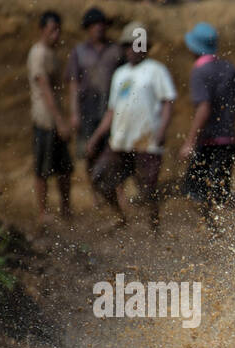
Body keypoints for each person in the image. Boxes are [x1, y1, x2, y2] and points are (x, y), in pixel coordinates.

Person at [85, 21, 175, 231]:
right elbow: (112, 111)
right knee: (99, 178)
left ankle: (153, 226)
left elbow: (168, 102)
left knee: (147, 191)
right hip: (120, 142)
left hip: (146, 142)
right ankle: (121, 216)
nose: (131, 49)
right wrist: (97, 136)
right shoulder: (120, 75)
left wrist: (161, 130)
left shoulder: (156, 70)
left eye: (136, 45)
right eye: (128, 45)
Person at [179, 21, 235, 225]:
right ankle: (220, 226)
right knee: (218, 191)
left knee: (193, 190)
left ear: (193, 48)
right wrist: (229, 120)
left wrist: (190, 142)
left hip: (209, 143)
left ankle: (219, 227)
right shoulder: (228, 67)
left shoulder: (200, 71)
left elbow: (204, 108)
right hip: (228, 140)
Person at [28, 10, 73, 225]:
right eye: (52, 30)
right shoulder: (39, 54)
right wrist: (60, 120)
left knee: (64, 167)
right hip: (45, 119)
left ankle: (65, 209)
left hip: (53, 118)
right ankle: (42, 212)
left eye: (58, 30)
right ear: (42, 30)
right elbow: (45, 90)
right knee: (43, 167)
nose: (56, 34)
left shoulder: (51, 54)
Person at [66, 8, 123, 162]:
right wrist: (74, 112)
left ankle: (111, 185)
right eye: (94, 24)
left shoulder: (116, 51)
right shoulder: (78, 52)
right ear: (88, 28)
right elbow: (73, 83)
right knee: (88, 152)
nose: (99, 27)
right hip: (87, 108)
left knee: (112, 152)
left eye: (101, 24)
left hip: (110, 107)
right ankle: (94, 185)